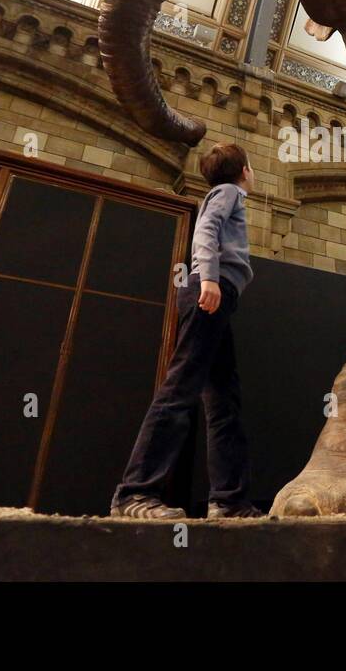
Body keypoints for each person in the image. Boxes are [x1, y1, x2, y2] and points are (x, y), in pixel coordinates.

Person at [110, 142, 261, 519]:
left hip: (220, 295)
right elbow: (206, 229)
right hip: (210, 290)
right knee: (181, 388)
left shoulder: (226, 193)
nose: (253, 173)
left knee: (224, 400)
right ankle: (134, 494)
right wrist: (208, 277)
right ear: (243, 171)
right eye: (252, 167)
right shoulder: (228, 192)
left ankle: (228, 500)